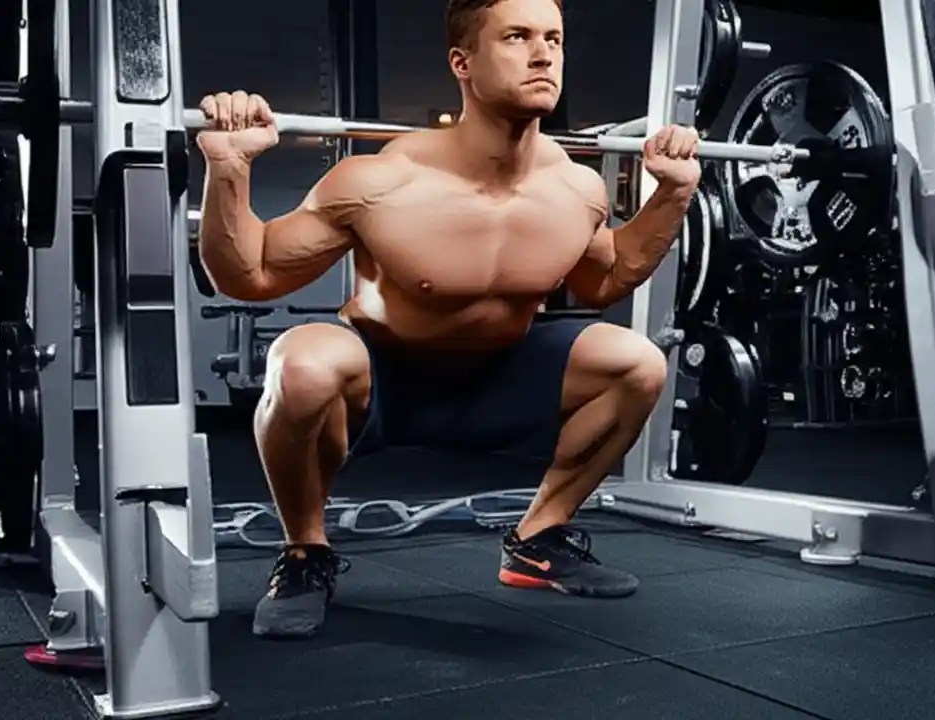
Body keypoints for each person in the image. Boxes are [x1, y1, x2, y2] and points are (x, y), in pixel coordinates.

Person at [195, 0, 700, 639]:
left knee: (638, 364)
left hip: (499, 375)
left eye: (554, 38)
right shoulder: (382, 179)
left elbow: (606, 280)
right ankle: (305, 552)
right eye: (517, 36)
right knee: (300, 364)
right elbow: (250, 275)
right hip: (383, 377)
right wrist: (229, 171)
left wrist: (673, 195)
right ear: (462, 62)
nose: (544, 54)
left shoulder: (577, 188)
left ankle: (538, 538)